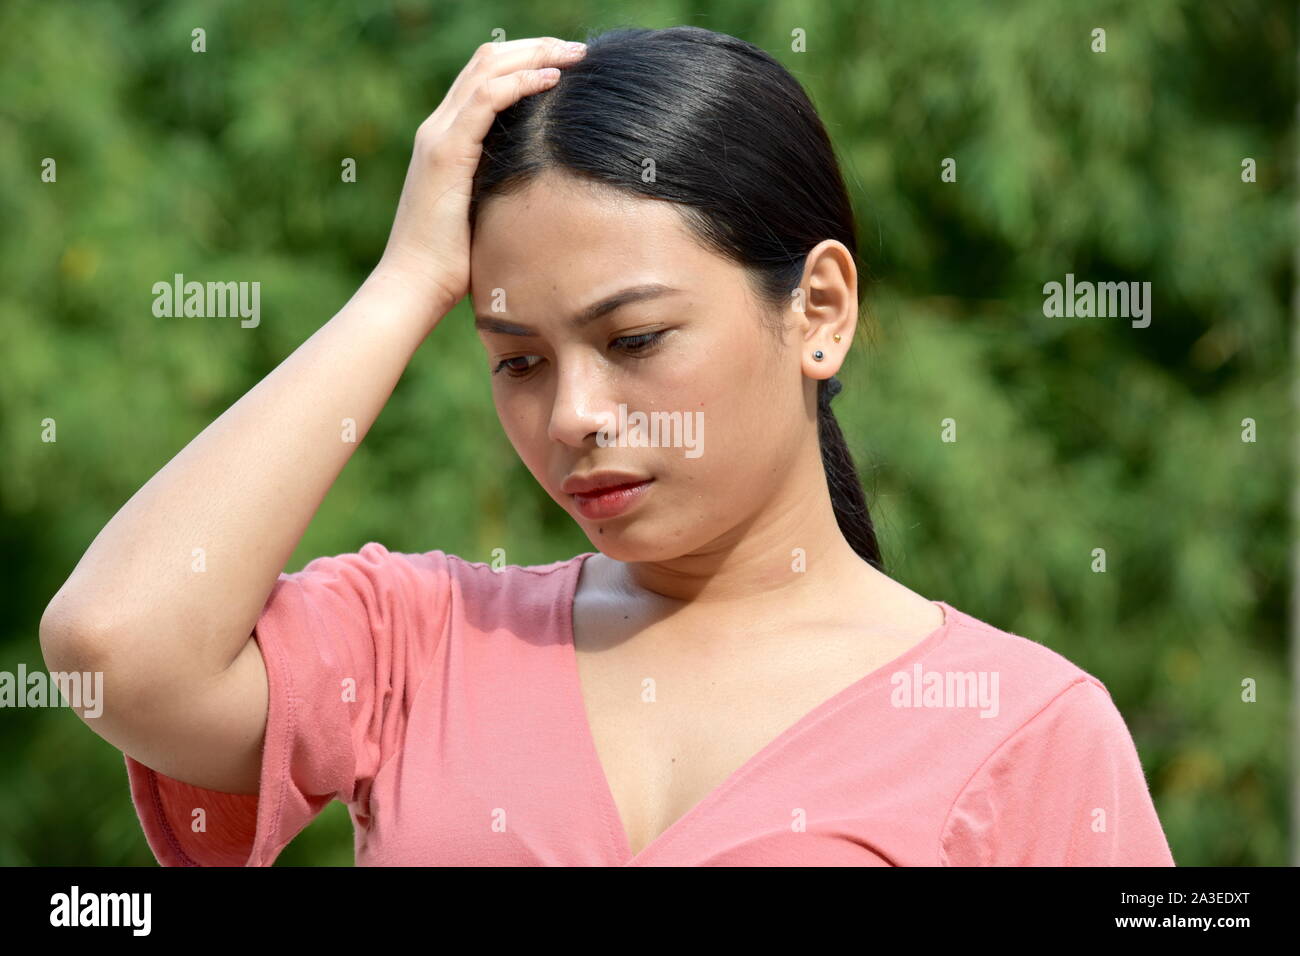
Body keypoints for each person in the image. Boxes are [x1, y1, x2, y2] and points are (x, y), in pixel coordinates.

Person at [39, 26, 1175, 866]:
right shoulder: (422, 643)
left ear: (819, 309)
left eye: (633, 337)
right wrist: (403, 284)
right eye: (516, 357)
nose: (572, 412)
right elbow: (116, 647)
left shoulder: (1019, 726)